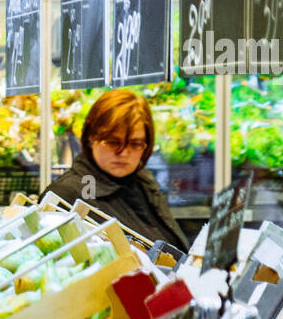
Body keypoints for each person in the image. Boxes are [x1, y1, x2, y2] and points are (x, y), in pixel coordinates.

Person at [45, 88, 189, 252]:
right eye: (113, 142)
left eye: (135, 144)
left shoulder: (144, 181)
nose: (124, 153)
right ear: (91, 138)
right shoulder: (65, 195)